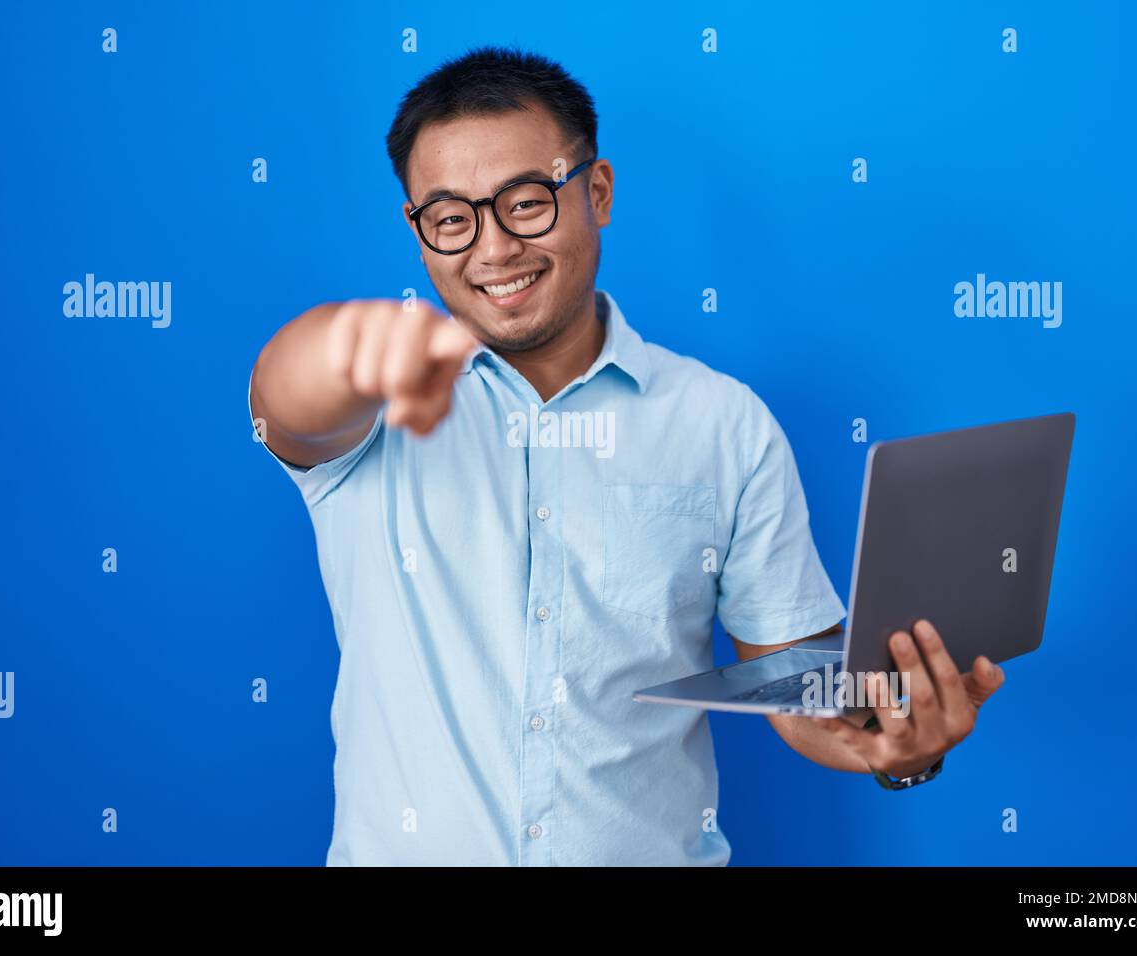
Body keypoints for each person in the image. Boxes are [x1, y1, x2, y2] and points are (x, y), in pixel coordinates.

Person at [248, 45, 1004, 866]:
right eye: (452, 219)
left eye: (526, 202)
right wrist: (346, 348)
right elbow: (289, 395)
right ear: (418, 229)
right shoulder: (373, 412)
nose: (493, 250)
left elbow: (800, 687)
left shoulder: (723, 423)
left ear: (596, 193)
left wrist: (894, 745)